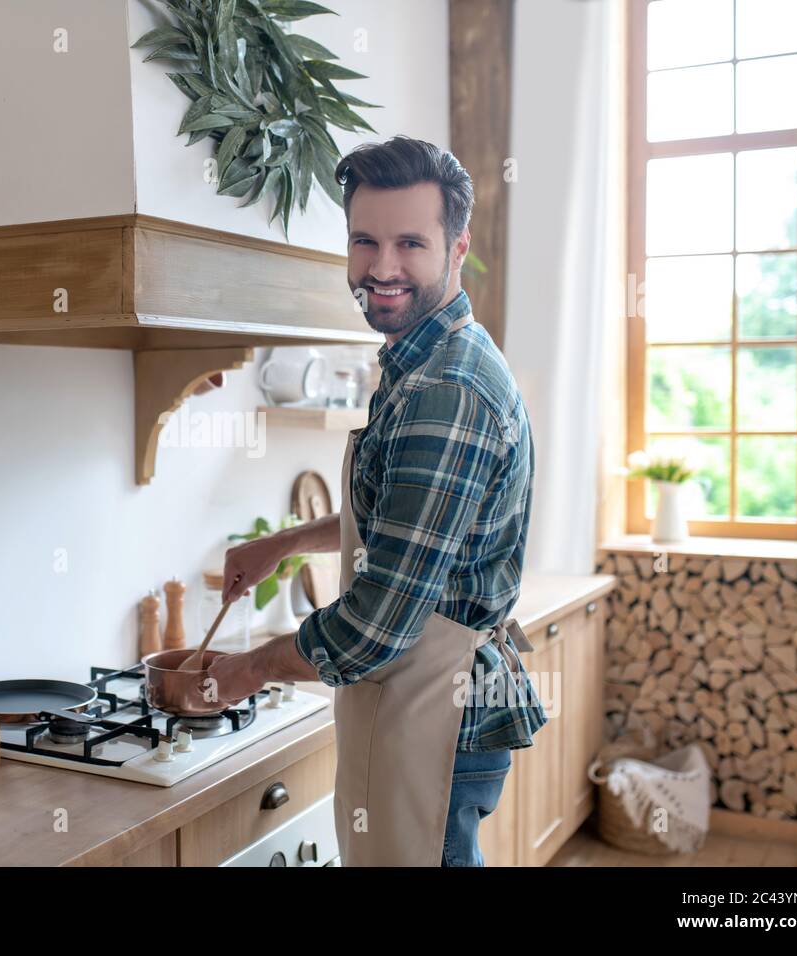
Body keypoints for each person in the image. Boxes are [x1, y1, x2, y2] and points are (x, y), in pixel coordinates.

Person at [206, 136, 547, 867]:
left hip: (433, 710)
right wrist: (286, 543)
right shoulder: (421, 360)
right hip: (429, 707)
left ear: (457, 248)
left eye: (409, 244)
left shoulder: (445, 391)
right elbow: (402, 523)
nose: (381, 268)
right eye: (364, 240)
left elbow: (373, 631)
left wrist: (249, 668)